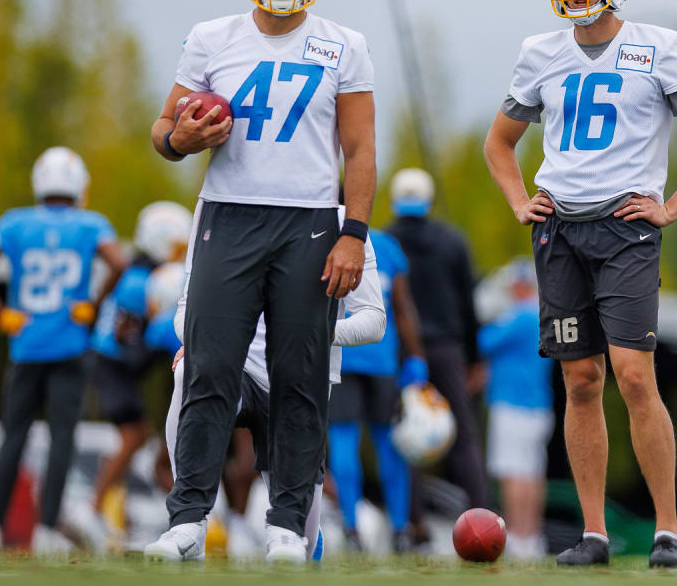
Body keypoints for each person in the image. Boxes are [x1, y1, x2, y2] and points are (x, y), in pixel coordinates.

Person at [482, 0, 677, 569]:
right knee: (580, 378)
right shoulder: (541, 51)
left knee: (635, 375)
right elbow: (498, 143)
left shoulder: (660, 47)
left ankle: (667, 531)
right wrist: (518, 202)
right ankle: (592, 534)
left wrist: (671, 207)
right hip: (559, 229)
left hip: (626, 229)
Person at [146, 0, 376, 562]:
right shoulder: (212, 38)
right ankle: (188, 519)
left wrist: (353, 233)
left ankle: (286, 524)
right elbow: (164, 132)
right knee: (207, 367)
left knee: (299, 376)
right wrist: (181, 139)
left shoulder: (344, 44)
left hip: (308, 221)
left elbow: (359, 151)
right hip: (229, 213)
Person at [151, 210, 386, 562]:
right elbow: (186, 311)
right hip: (235, 370)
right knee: (187, 369)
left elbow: (374, 320)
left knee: (299, 548)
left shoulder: (339, 224)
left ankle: (301, 537)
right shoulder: (225, 208)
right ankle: (189, 524)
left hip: (299, 381)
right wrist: (205, 341)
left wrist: (318, 337)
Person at [0, 147, 128, 556]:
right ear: (77, 184)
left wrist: (1, 313)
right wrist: (92, 302)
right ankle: (47, 529)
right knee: (61, 438)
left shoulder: (15, 223)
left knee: (12, 437)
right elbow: (119, 264)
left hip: (25, 346)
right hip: (70, 346)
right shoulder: (92, 225)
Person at [78, 201, 192, 551]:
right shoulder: (138, 281)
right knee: (134, 435)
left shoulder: (145, 275)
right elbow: (127, 342)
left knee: (148, 437)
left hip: (119, 364)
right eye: (175, 246)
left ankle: (180, 517)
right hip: (112, 364)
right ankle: (92, 508)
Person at [385, 168, 490, 514]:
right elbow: (468, 304)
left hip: (402, 351)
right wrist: (475, 358)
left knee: (404, 436)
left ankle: (412, 525)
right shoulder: (453, 240)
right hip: (447, 349)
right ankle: (481, 514)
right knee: (463, 435)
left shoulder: (384, 242)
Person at [327, 227, 428, 553]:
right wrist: (415, 357)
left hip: (341, 354)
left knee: (344, 442)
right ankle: (400, 530)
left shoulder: (323, 239)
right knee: (390, 445)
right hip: (382, 355)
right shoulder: (386, 245)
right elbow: (403, 307)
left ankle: (351, 529)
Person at [477, 259, 553, 561]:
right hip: (537, 405)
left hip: (513, 404)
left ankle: (519, 540)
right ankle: (532, 538)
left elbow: (482, 342)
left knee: (514, 475)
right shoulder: (540, 314)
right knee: (532, 475)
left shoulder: (520, 316)